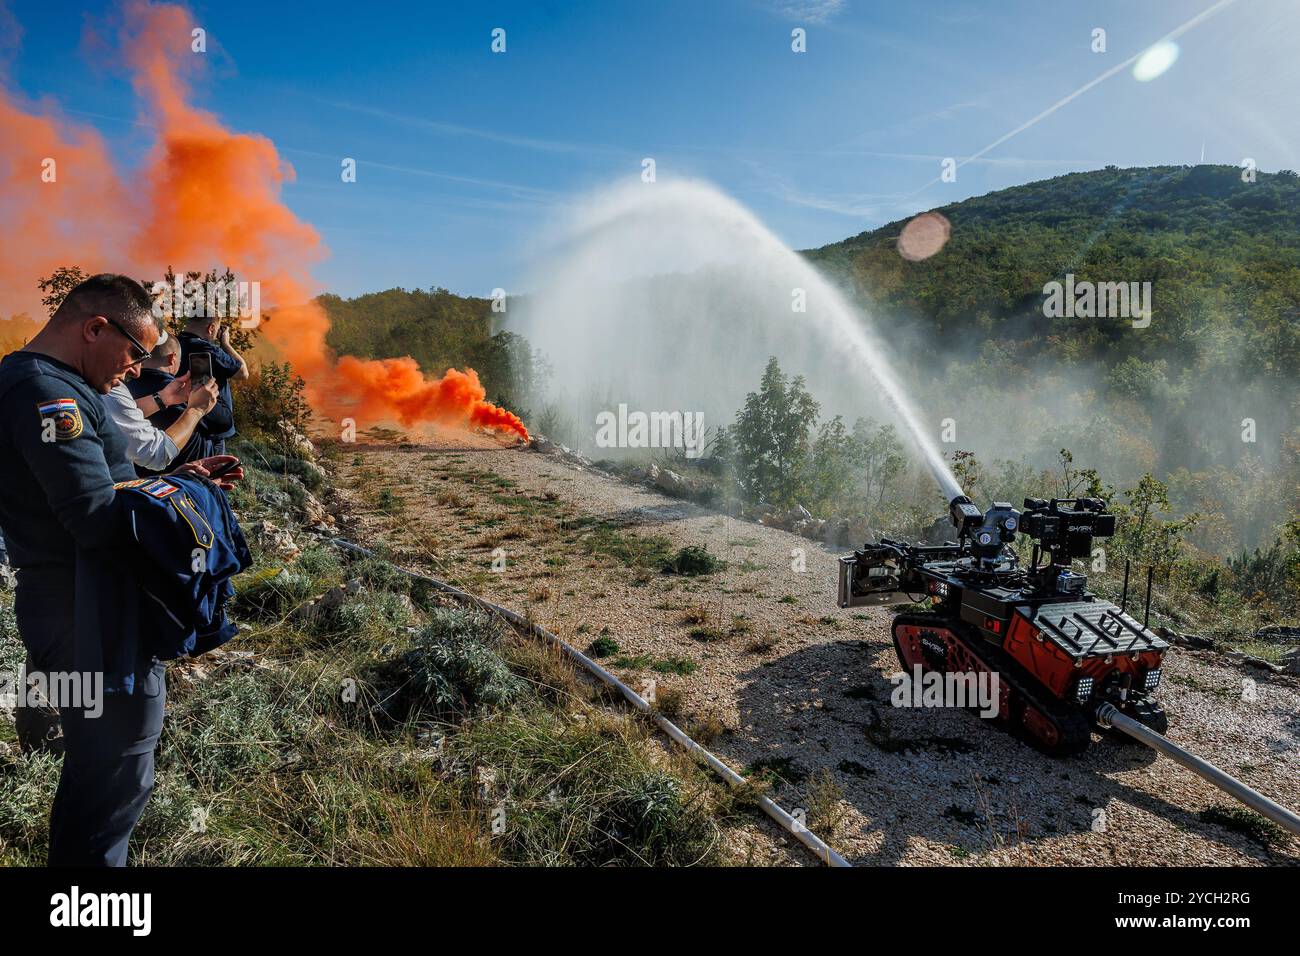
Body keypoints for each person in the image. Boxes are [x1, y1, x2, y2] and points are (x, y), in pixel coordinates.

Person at [0, 273, 242, 866]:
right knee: (115, 772)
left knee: (99, 767)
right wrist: (176, 507)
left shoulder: (53, 383)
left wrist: (178, 482)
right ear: (94, 327)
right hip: (86, 611)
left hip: (84, 602)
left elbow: (106, 486)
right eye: (136, 353)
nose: (139, 370)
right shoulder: (44, 392)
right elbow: (93, 515)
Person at [102, 333, 220, 473]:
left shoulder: (96, 384)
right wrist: (196, 410)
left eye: (143, 359)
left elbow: (114, 416)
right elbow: (156, 453)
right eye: (134, 354)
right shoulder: (106, 386)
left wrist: (164, 398)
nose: (137, 371)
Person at [177, 315, 248, 455]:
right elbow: (243, 373)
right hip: (211, 427)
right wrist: (226, 343)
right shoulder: (207, 348)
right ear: (211, 328)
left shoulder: (174, 344)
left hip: (181, 423)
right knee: (211, 472)